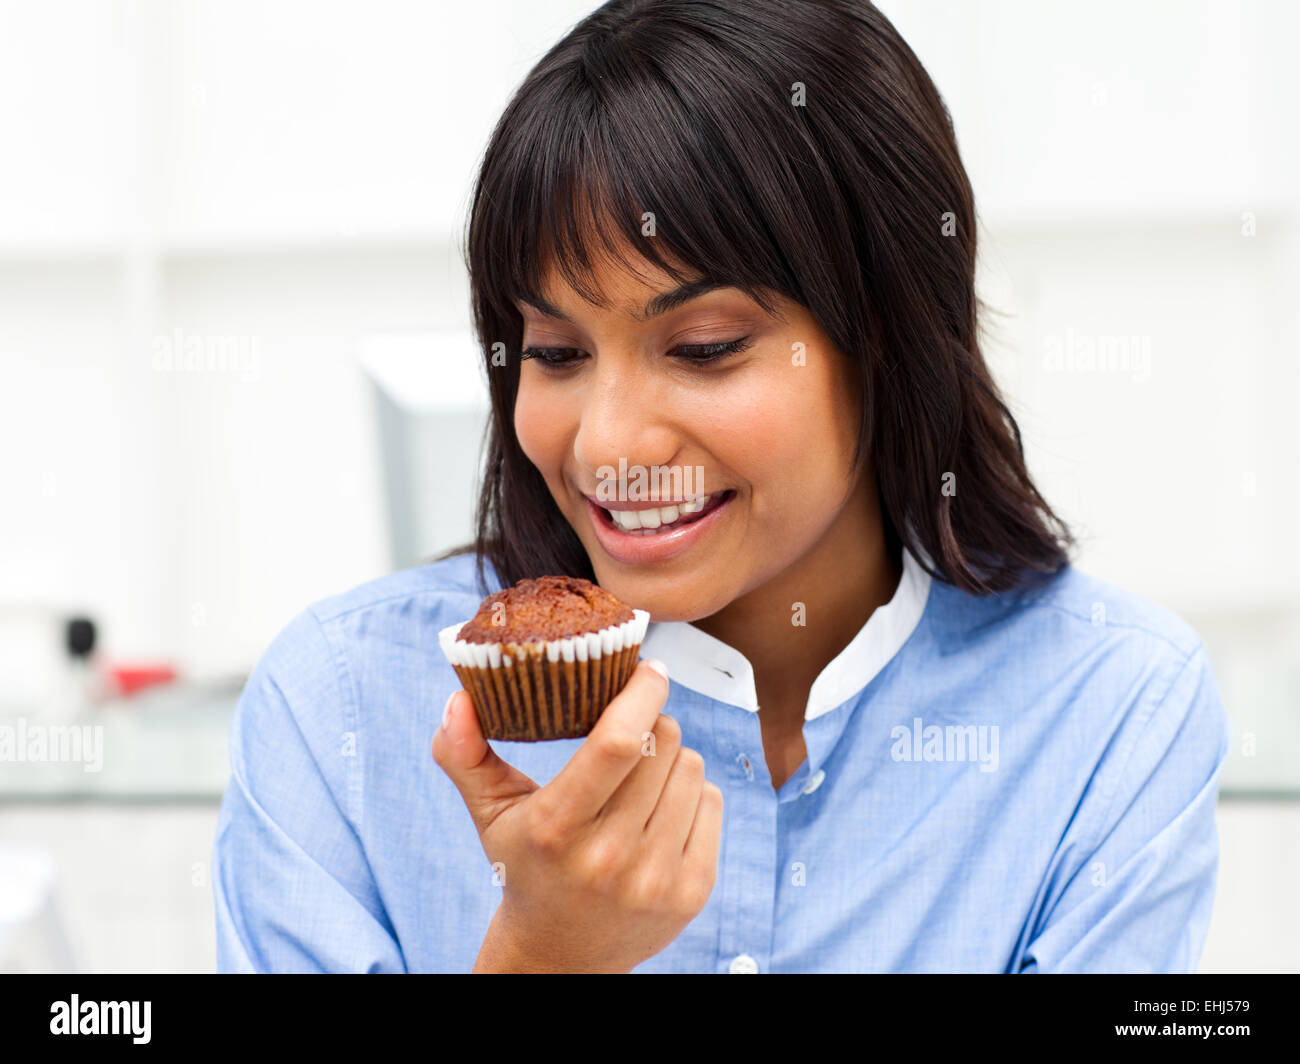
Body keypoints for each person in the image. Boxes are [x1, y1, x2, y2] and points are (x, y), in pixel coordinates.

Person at [212, 0, 1231, 973]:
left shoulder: (1108, 712)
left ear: (885, 338)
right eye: (557, 353)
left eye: (701, 347)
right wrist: (546, 954)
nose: (606, 439)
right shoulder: (340, 703)